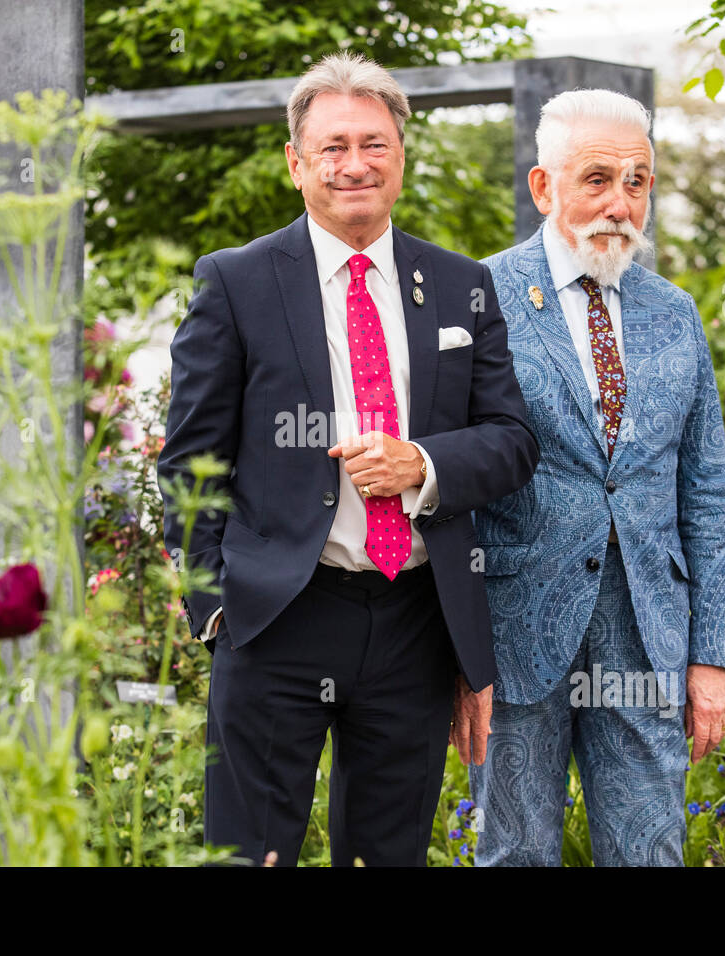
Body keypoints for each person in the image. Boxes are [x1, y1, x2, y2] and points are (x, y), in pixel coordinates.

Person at [157, 52, 538, 867]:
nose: (355, 164)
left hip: (413, 624)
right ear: (296, 163)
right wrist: (216, 610)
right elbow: (190, 460)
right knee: (249, 855)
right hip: (276, 619)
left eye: (374, 143)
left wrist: (421, 465)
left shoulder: (464, 285)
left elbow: (512, 440)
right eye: (333, 146)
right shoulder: (236, 283)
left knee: (386, 856)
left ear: (402, 156)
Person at [472, 89, 725, 866]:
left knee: (650, 853)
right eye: (597, 178)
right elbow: (452, 477)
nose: (620, 202)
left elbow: (706, 491)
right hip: (515, 630)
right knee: (514, 853)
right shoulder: (479, 296)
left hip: (649, 632)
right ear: (544, 186)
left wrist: (713, 654)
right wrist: (456, 652)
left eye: (637, 181)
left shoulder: (675, 312)